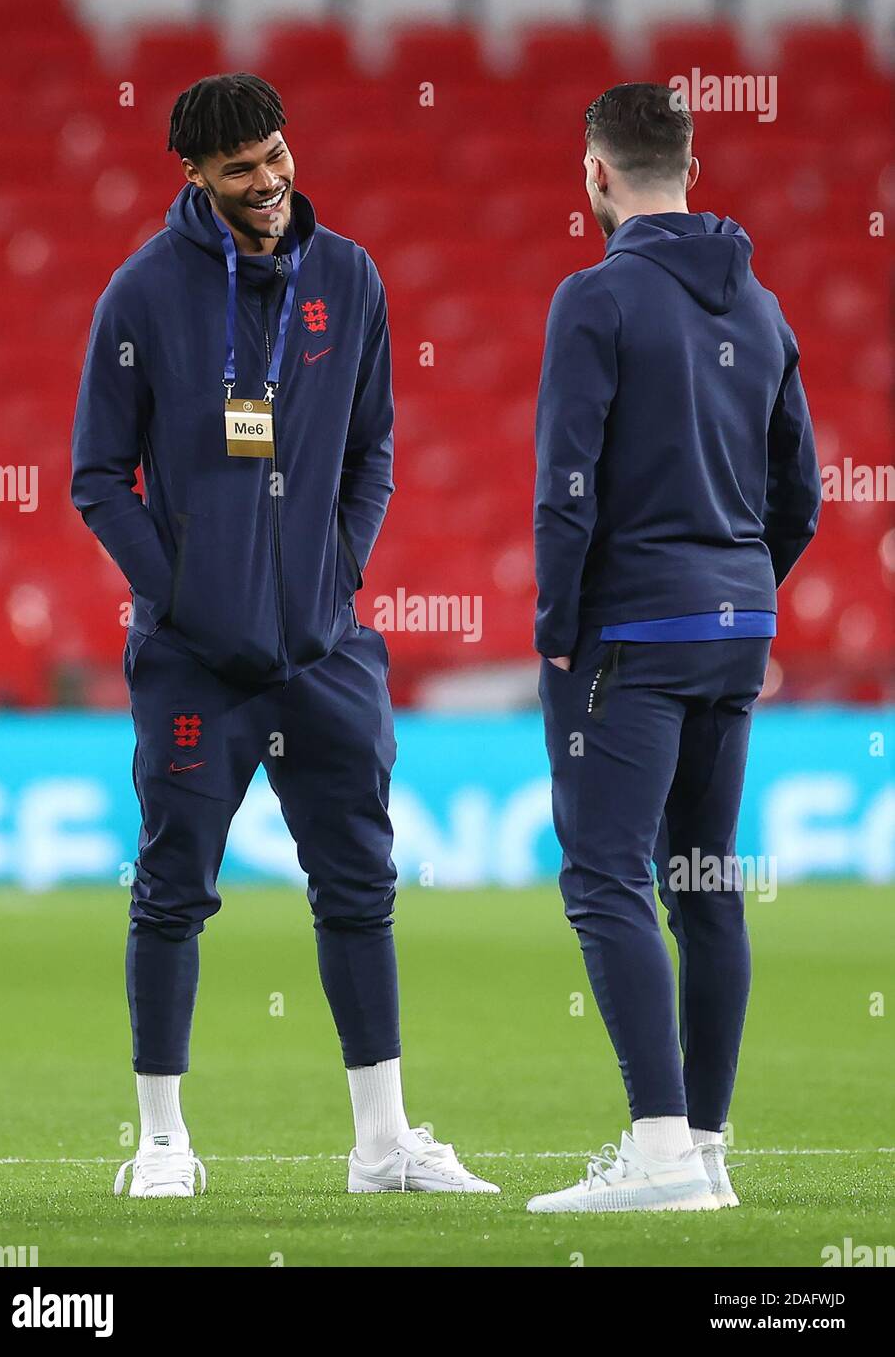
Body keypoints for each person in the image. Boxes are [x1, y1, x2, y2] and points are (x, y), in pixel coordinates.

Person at [71, 73, 498, 1199]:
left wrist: (337, 572)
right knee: (172, 889)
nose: (268, 184)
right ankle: (162, 1142)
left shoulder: (348, 277)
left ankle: (384, 1146)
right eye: (241, 170)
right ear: (195, 178)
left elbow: (374, 451)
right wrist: (183, 594)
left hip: (325, 651)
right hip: (194, 662)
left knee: (361, 885)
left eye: (275, 157)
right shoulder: (141, 294)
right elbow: (95, 479)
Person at [528, 82, 821, 1214]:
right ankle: (703, 1151)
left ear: (596, 174)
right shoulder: (765, 308)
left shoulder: (593, 300)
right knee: (705, 878)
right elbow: (799, 490)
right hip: (735, 629)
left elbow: (566, 485)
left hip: (630, 634)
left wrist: (558, 629)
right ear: (689, 167)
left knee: (606, 877)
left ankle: (655, 1155)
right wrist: (741, 591)